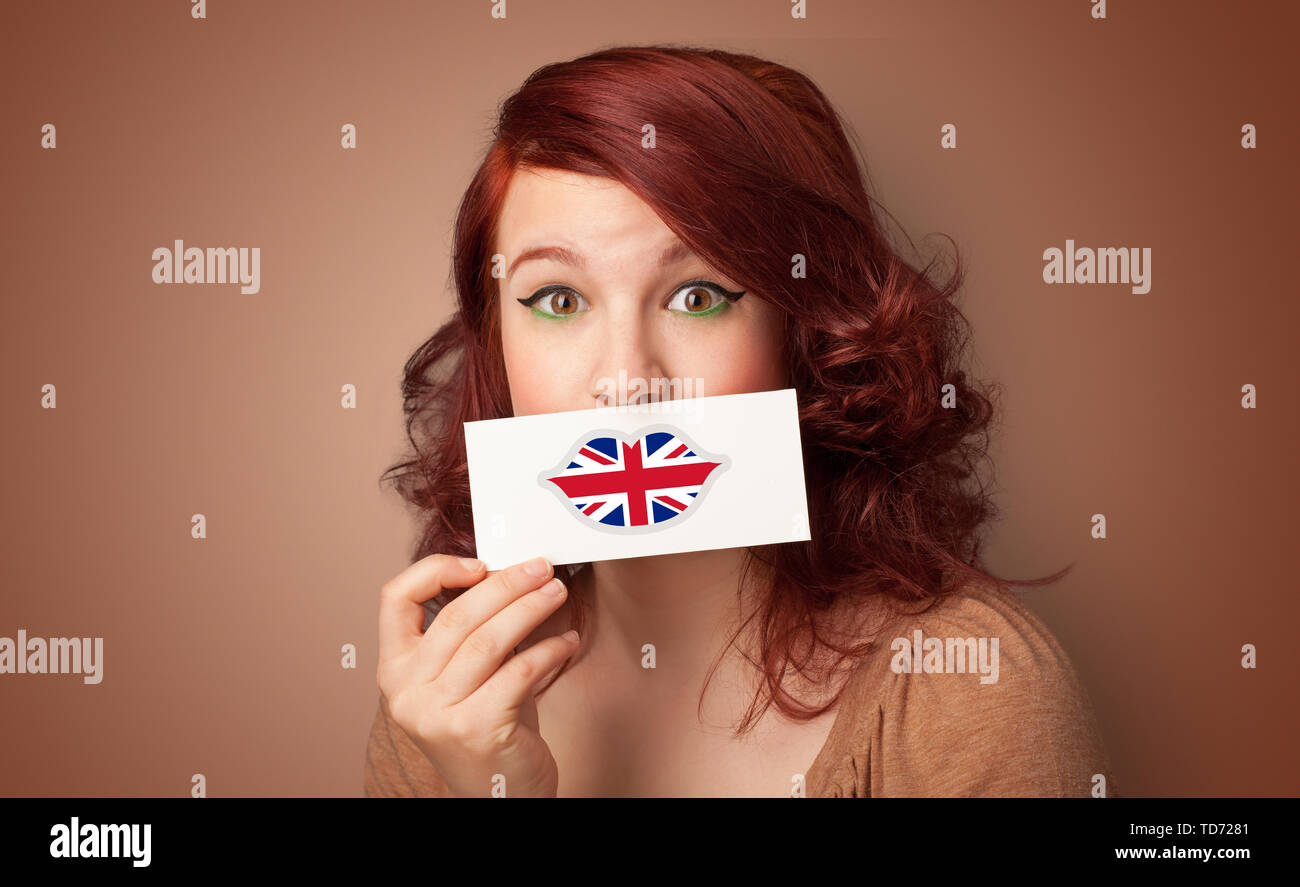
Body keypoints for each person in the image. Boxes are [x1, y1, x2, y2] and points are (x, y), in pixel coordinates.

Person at [364, 44, 1114, 798]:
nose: (627, 383)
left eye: (699, 296)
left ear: (805, 330)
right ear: (495, 340)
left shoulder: (967, 686)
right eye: (559, 299)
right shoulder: (447, 704)